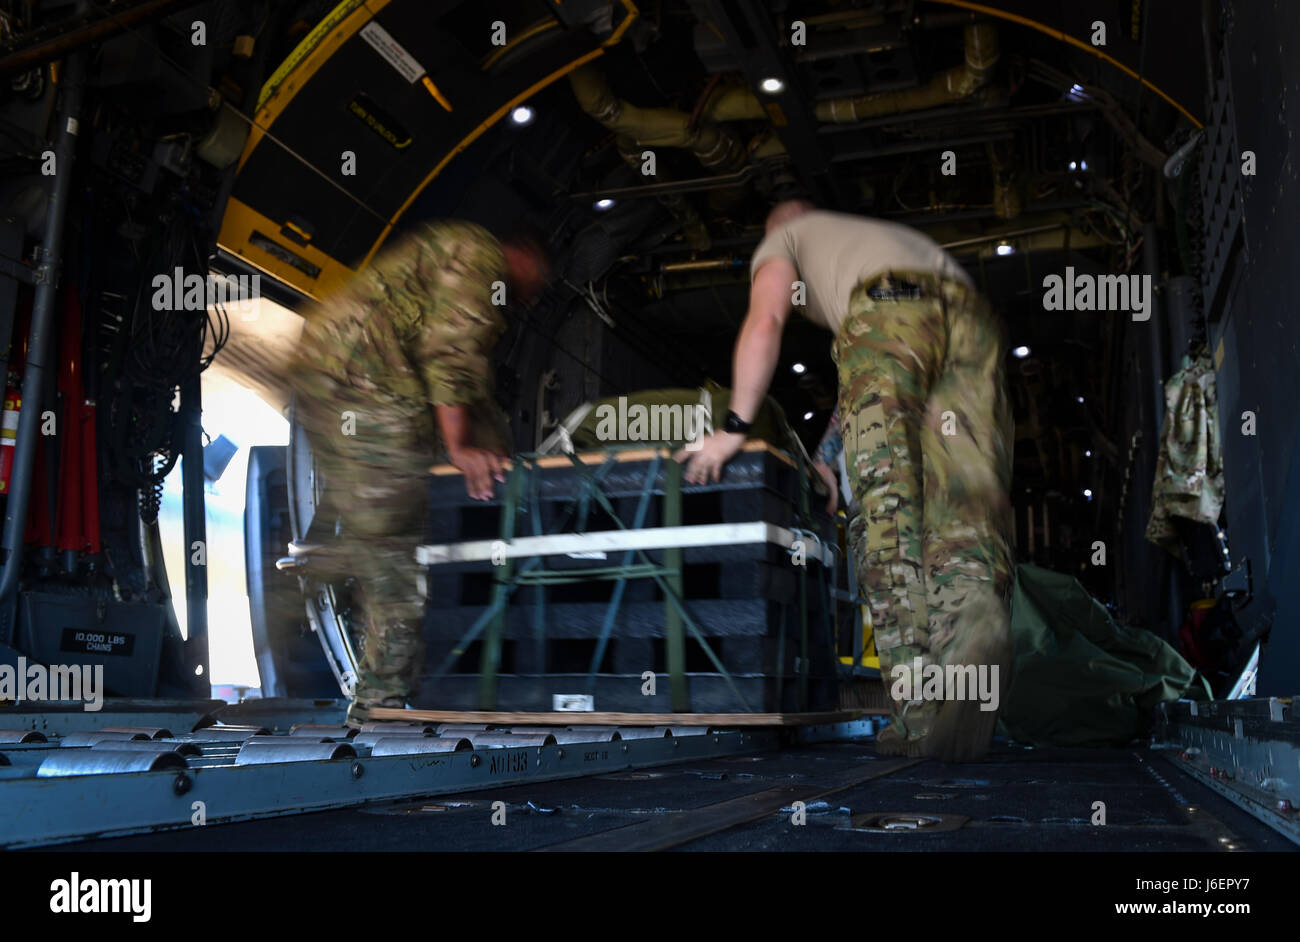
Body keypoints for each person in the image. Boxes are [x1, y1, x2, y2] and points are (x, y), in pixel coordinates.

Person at [677, 201, 1014, 761]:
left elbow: (766, 321)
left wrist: (733, 427)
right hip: (972, 320)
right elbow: (877, 377)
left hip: (888, 310)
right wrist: (827, 457)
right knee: (965, 504)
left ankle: (919, 715)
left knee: (887, 514)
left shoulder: (785, 239)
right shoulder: (879, 236)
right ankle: (975, 614)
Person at [288, 219, 549, 725]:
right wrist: (458, 449)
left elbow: (473, 392)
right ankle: (377, 708)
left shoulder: (459, 263)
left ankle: (404, 681)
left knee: (394, 529)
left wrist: (493, 456)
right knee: (397, 550)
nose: (536, 294)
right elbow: (450, 355)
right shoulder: (480, 257)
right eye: (540, 276)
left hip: (346, 375)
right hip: (363, 379)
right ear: (522, 252)